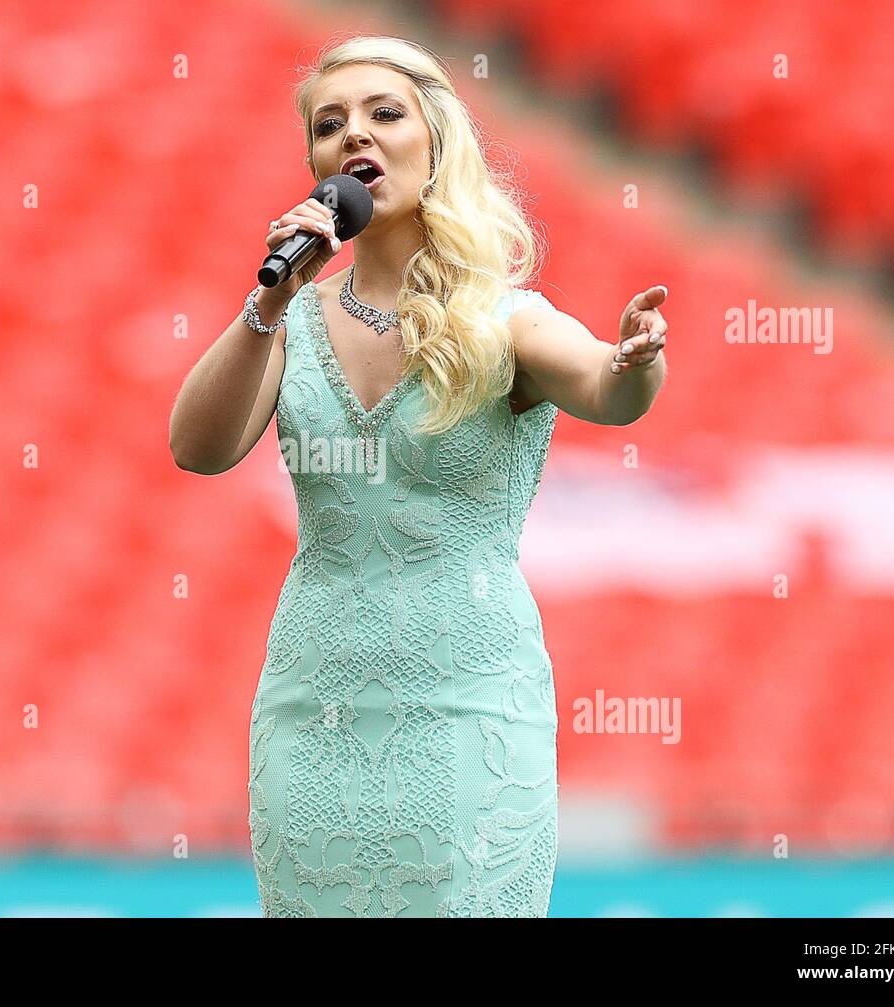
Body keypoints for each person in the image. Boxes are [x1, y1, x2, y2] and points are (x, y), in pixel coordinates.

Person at [169, 35, 668, 917]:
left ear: (436, 144)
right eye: (330, 125)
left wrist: (636, 361)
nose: (352, 135)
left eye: (383, 113)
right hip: (310, 710)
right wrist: (268, 302)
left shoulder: (505, 320)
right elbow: (198, 447)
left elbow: (606, 386)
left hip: (469, 708)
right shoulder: (290, 318)